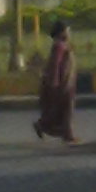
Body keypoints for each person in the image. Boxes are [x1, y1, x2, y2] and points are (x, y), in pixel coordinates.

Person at [34, 17, 78, 146]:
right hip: (61, 83)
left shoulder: (62, 46)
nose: (69, 33)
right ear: (62, 32)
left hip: (65, 82)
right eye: (67, 30)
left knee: (59, 110)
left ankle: (43, 126)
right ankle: (67, 135)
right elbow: (55, 65)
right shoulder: (59, 46)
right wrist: (54, 82)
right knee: (66, 109)